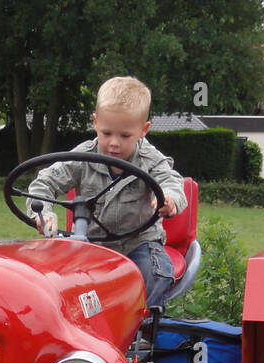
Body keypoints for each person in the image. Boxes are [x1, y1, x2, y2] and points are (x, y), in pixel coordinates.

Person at [25, 75, 187, 307]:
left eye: (125, 136)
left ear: (143, 130)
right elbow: (44, 184)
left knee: (155, 273)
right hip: (92, 245)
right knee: (52, 279)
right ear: (95, 122)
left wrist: (169, 200)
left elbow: (170, 182)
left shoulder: (151, 160)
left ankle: (139, 331)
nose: (114, 143)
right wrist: (44, 213)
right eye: (107, 133)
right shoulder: (83, 157)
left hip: (138, 243)